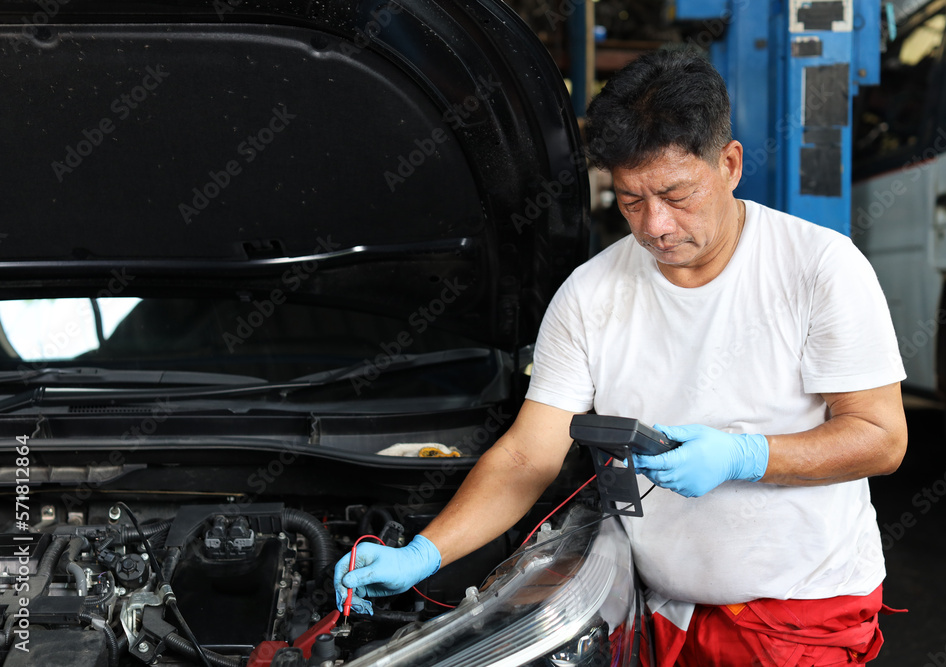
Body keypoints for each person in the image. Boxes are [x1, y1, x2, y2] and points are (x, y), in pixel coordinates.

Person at [332, 49, 908, 665]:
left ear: (730, 163)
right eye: (632, 201)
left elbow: (880, 439)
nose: (655, 225)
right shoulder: (590, 294)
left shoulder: (818, 267)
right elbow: (529, 453)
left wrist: (748, 455)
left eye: (675, 194)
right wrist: (425, 552)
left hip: (797, 615)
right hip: (660, 610)